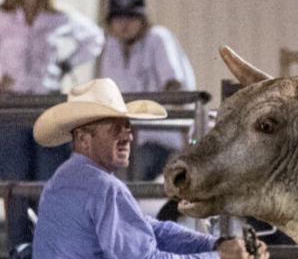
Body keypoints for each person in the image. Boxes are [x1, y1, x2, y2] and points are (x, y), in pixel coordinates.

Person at [31, 78, 269, 258]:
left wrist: (214, 245)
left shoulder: (60, 180)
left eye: (127, 126)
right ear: (83, 139)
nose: (128, 136)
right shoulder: (104, 188)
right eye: (115, 129)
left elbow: (148, 228)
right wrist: (218, 256)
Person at [0, 0, 104, 253]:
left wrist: (66, 63)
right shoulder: (4, 17)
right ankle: (18, 248)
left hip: (47, 103)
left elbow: (94, 39)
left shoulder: (59, 17)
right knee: (15, 182)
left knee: (49, 179)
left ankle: (49, 248)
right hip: (13, 105)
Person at [97, 0, 196, 180]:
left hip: (162, 137)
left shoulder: (157, 38)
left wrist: (187, 141)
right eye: (118, 18)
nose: (124, 24)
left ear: (143, 19)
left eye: (131, 17)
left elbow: (174, 85)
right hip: (128, 139)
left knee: (137, 178)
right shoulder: (111, 46)